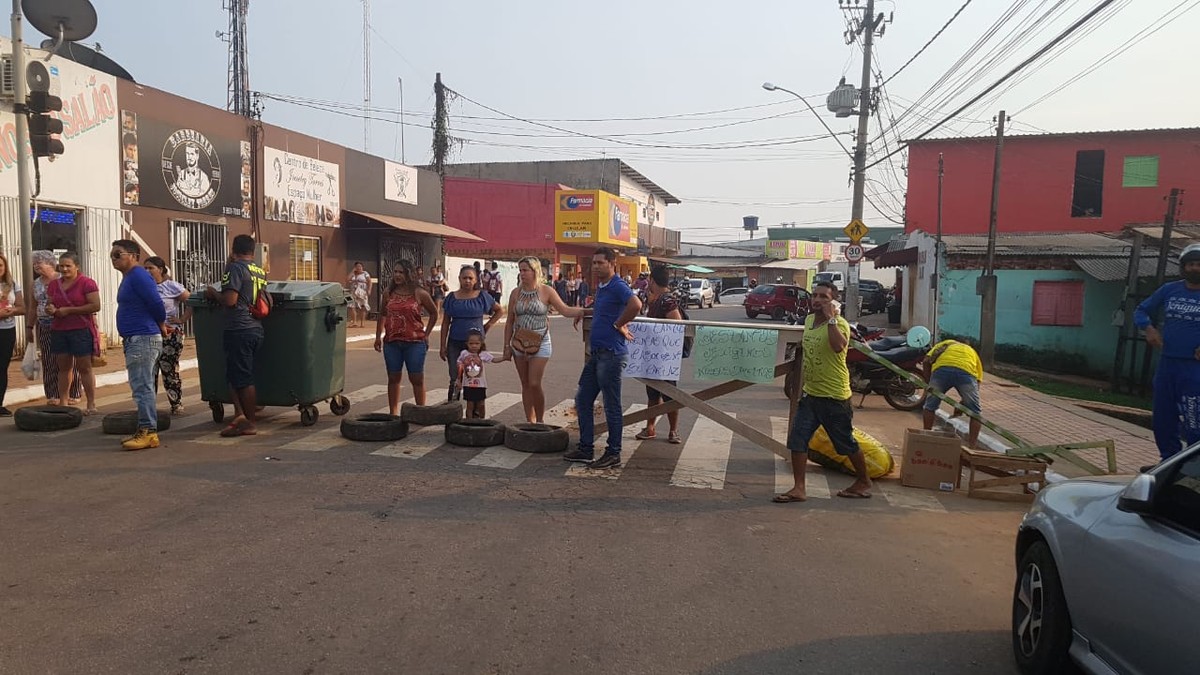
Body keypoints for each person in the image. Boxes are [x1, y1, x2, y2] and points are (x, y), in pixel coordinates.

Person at [774, 281, 873, 502]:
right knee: (797, 440)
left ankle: (864, 480)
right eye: (815, 296)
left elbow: (839, 347)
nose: (817, 300)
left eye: (824, 297)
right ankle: (799, 488)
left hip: (835, 397)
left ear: (833, 302)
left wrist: (831, 319)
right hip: (811, 395)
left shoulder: (840, 324)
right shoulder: (808, 320)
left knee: (845, 443)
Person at [563, 248, 642, 468]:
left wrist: (619, 324)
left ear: (611, 264)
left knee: (611, 405)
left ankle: (613, 453)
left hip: (611, 354)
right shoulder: (603, 288)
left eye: (600, 263)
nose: (595, 266)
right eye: (594, 263)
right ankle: (586, 448)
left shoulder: (618, 285)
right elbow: (601, 310)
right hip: (597, 354)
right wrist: (584, 313)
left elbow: (636, 305)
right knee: (583, 399)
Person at [1135, 242, 1200, 461]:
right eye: (1191, 264)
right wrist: (1148, 328)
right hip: (1167, 364)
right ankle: (1168, 464)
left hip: (1194, 368)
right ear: (1183, 267)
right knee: (1163, 417)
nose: (1195, 268)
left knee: (1194, 419)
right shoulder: (1170, 290)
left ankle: (1194, 469)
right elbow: (1141, 310)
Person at [501, 256, 584, 424]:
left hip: (541, 342)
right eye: (521, 270)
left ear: (535, 271)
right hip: (518, 342)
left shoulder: (546, 291)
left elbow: (565, 310)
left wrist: (585, 311)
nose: (522, 274)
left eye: (525, 270)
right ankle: (529, 421)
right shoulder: (515, 293)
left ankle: (540, 420)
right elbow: (510, 320)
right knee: (525, 384)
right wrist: (506, 346)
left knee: (534, 383)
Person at [204, 234, 268, 437]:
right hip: (255, 327)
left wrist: (213, 294)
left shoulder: (235, 268)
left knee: (241, 377)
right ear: (252, 251)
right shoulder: (259, 271)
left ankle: (249, 422)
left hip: (239, 327)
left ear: (233, 250)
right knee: (237, 374)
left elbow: (230, 300)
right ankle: (240, 416)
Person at [111, 240, 167, 450]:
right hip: (137, 338)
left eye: (118, 254)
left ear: (133, 255)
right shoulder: (130, 277)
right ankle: (147, 430)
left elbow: (156, 303)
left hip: (143, 338)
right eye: (112, 255)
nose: (114, 259)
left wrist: (161, 323)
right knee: (143, 386)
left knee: (142, 387)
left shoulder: (139, 276)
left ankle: (148, 431)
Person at [375, 260, 438, 415]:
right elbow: (382, 314)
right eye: (395, 272)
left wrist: (427, 334)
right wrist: (378, 336)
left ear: (409, 274)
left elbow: (434, 313)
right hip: (392, 342)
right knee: (393, 378)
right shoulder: (388, 293)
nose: (397, 275)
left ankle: (420, 412)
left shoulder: (419, 293)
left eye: (401, 272)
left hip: (415, 343)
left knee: (416, 378)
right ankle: (393, 413)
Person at [440, 264, 505, 402]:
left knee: (474, 376)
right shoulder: (451, 297)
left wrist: (488, 325)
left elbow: (499, 310)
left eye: (470, 278)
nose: (467, 281)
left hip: (475, 346)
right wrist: (442, 345)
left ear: (476, 280)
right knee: (455, 375)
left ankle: (474, 411)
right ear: (459, 279)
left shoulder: (482, 296)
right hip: (454, 342)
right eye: (464, 278)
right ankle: (453, 407)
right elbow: (445, 322)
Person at [27, 250, 82, 405]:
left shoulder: (62, 279)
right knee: (49, 360)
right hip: (44, 325)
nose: (37, 266)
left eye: (40, 262)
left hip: (66, 323)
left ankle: (74, 392)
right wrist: (29, 326)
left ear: (50, 263)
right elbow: (33, 307)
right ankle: (53, 394)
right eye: (35, 263)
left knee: (71, 360)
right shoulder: (35, 284)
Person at [635, 265, 682, 444]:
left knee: (669, 394)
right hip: (654, 354)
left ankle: (673, 430)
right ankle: (651, 428)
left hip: (664, 355)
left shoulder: (667, 300)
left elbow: (676, 322)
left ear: (652, 280)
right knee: (653, 393)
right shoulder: (657, 299)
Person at [144, 256, 191, 415]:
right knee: (149, 371)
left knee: (168, 368)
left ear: (161, 270)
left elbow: (192, 301)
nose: (147, 271)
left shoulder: (172, 286)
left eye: (151, 268)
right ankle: (148, 407)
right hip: (149, 333)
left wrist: (182, 319)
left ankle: (176, 404)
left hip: (170, 335)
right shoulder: (144, 287)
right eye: (145, 268)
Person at [922, 338, 984, 448]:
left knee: (930, 406)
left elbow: (926, 361)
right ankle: (972, 447)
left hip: (942, 370)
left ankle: (926, 437)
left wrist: (928, 384)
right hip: (966, 373)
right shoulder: (972, 352)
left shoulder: (946, 343)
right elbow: (977, 382)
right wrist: (963, 403)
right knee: (975, 414)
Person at [0, 253, 24, 416]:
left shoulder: (12, 284)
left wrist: (11, 311)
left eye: (0, 266)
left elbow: (22, 308)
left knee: (2, 368)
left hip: (7, 331)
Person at [457, 328, 495, 419]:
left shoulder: (483, 354)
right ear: (467, 344)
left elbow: (494, 360)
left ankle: (482, 421)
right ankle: (469, 422)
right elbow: (460, 368)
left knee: (481, 404)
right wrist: (459, 381)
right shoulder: (464, 354)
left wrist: (505, 357)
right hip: (468, 384)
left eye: (477, 344)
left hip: (480, 385)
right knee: (470, 405)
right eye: (471, 343)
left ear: (481, 344)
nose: (474, 346)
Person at [347, 262, 372, 328]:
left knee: (363, 307)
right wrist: (352, 271)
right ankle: (354, 321)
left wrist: (369, 290)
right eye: (357, 266)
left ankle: (362, 322)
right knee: (351, 306)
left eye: (360, 266)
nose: (359, 268)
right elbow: (347, 279)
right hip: (353, 291)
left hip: (362, 292)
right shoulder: (353, 274)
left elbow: (369, 281)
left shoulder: (365, 273)